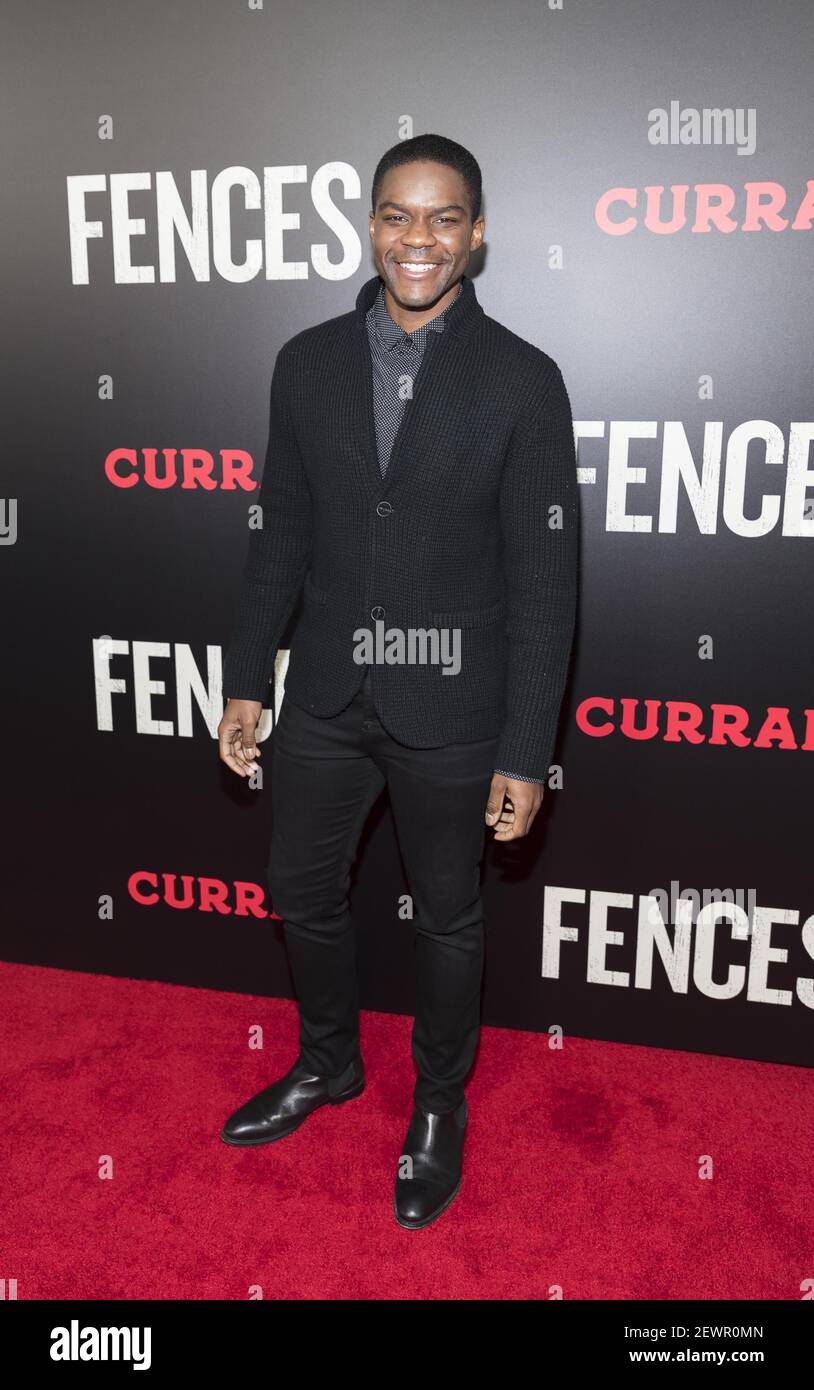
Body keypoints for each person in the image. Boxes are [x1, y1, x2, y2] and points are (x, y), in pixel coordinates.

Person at [216, 132, 580, 1229]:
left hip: (454, 708)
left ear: (476, 234)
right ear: (369, 224)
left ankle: (438, 1104)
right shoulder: (305, 362)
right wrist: (246, 674)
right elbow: (280, 531)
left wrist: (526, 748)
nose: (415, 238)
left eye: (441, 217)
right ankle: (329, 1062)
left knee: (449, 919)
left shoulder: (522, 380)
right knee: (299, 891)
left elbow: (545, 582)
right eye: (394, 214)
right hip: (325, 691)